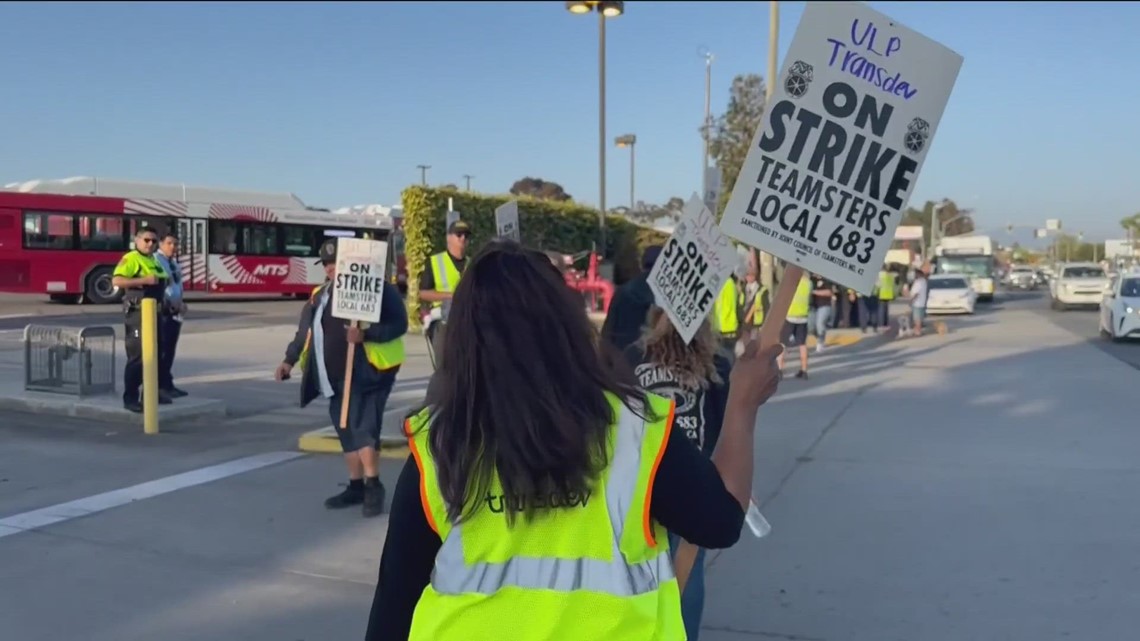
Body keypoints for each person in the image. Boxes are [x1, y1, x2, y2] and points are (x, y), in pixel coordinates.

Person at [366, 240, 782, 641]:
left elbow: (394, 603)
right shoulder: (637, 428)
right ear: (566, 322)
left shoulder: (437, 443)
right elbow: (720, 522)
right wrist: (742, 405)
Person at [275, 239, 408, 518]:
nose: (331, 268)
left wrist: (367, 335)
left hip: (370, 373)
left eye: (336, 262)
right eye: (326, 264)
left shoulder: (378, 289)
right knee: (345, 428)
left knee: (363, 427)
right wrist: (289, 360)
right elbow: (305, 333)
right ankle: (356, 485)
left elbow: (399, 324)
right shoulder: (319, 295)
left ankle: (373, 485)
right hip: (332, 376)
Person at [625, 305, 733, 641]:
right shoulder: (717, 364)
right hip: (694, 478)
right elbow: (723, 425)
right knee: (690, 566)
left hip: (641, 477)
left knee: (640, 564)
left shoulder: (635, 357)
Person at [111, 227, 170, 413]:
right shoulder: (131, 258)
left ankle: (151, 394)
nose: (150, 244)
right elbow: (117, 281)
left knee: (156, 354)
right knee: (137, 356)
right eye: (146, 240)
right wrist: (142, 280)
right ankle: (130, 398)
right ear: (137, 240)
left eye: (154, 241)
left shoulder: (154, 260)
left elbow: (161, 284)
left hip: (155, 312)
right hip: (137, 313)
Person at [419, 220, 471, 368]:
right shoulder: (435, 261)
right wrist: (451, 296)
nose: (463, 238)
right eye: (459, 234)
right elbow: (423, 293)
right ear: (449, 238)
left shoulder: (472, 263)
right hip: (443, 321)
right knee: (445, 367)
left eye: (466, 235)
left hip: (468, 320)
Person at [600, 244, 663, 353]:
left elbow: (608, 331)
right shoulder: (668, 296)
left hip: (621, 354)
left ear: (642, 264)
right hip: (652, 354)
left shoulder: (624, 291)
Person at [154, 232, 188, 398]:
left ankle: (167, 383)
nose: (173, 247)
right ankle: (160, 386)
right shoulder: (156, 261)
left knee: (170, 350)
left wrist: (181, 303)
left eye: (175, 244)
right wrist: (169, 303)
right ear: (161, 244)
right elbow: (161, 287)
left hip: (176, 310)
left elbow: (177, 285)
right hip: (164, 311)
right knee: (163, 350)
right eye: (169, 243)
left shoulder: (174, 263)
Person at [778, 272, 813, 379]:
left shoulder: (792, 281)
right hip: (803, 316)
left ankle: (779, 370)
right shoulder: (809, 283)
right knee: (802, 344)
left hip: (790, 315)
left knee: (782, 343)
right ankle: (804, 370)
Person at [713, 275, 740, 357]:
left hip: (726, 329)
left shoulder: (727, 283)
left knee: (726, 357)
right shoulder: (726, 283)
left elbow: (727, 308)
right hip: (724, 329)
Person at [810, 274, 837, 354]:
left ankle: (820, 343)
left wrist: (814, 292)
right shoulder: (811, 280)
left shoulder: (826, 280)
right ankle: (820, 336)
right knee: (811, 327)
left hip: (824, 305)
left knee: (820, 324)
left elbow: (829, 292)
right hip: (813, 307)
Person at [908, 269, 929, 336]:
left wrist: (911, 300)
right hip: (921, 302)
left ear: (919, 274)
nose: (915, 275)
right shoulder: (923, 281)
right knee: (918, 318)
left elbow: (916, 293)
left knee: (917, 319)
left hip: (917, 303)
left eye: (916, 274)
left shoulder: (919, 282)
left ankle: (918, 331)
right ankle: (916, 330)